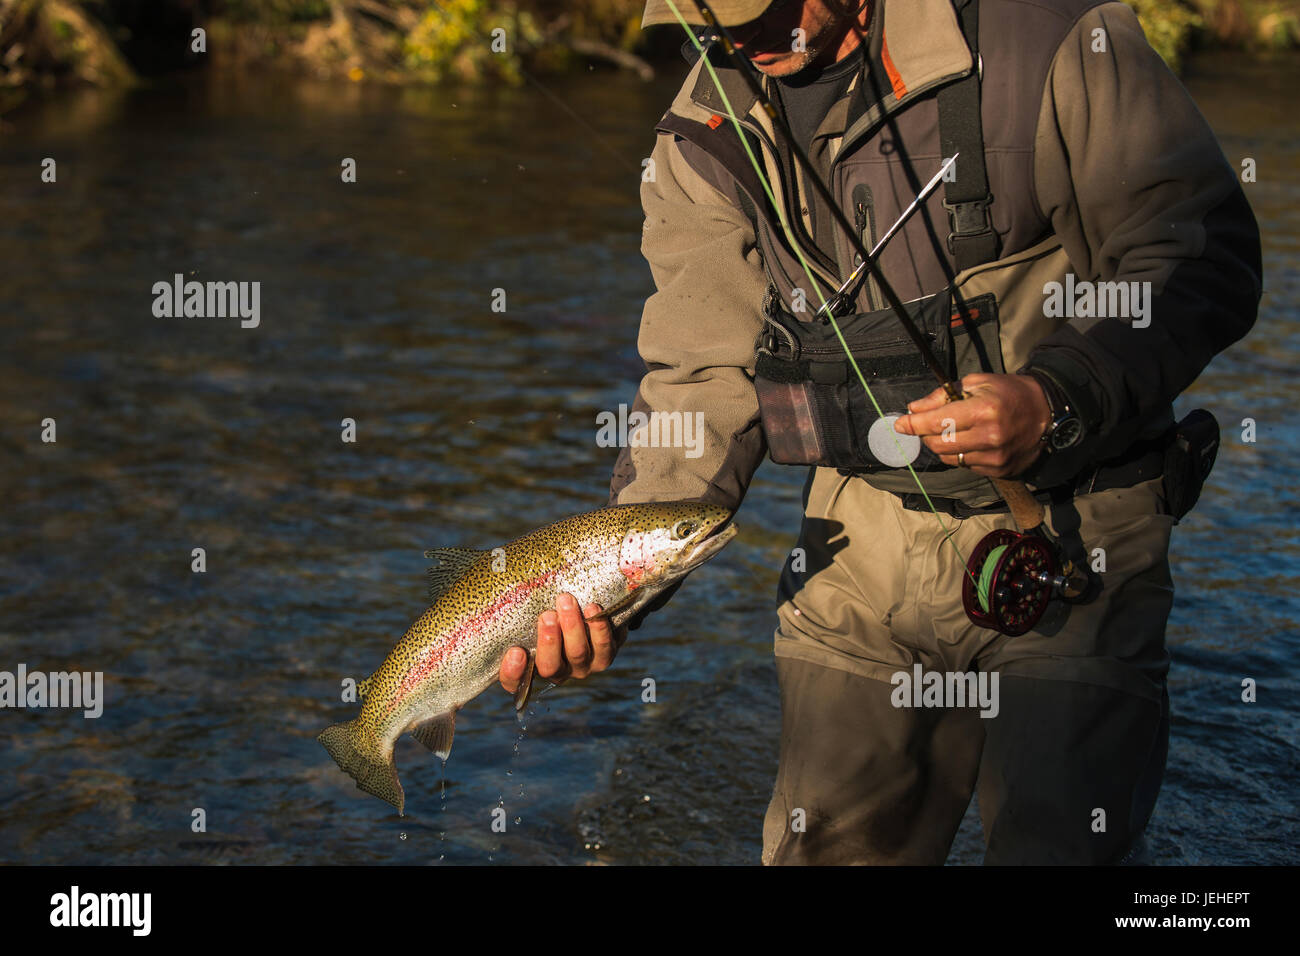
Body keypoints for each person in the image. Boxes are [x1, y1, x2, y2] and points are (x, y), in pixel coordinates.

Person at [500, 0, 1261, 864]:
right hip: (854, 540)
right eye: (716, 19)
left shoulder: (1051, 37)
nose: (750, 39)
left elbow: (1201, 252)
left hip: (1075, 534)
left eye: (771, 7)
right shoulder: (703, 130)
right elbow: (698, 377)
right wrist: (612, 593)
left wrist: (1056, 398)